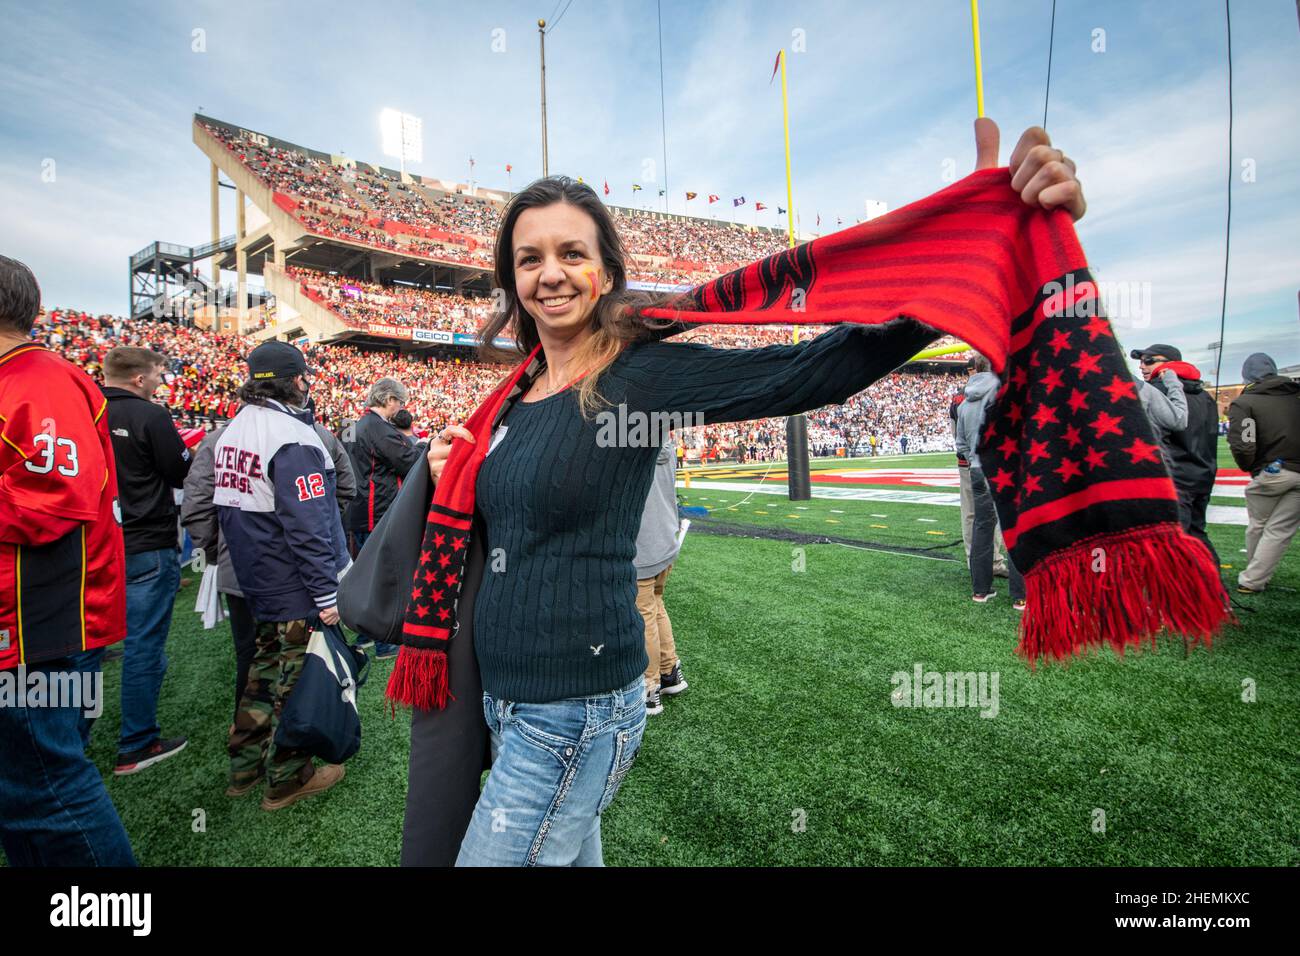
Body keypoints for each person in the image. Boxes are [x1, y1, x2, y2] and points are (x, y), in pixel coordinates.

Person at [406, 119, 1085, 866]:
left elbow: (805, 372)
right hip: (501, 698)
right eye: (529, 258)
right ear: (511, 278)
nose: (551, 273)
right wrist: (450, 473)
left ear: (607, 272)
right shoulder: (509, 394)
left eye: (573, 253)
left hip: (574, 708)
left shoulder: (637, 378)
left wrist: (972, 256)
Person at [0, 255, 135, 865]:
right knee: (26, 795)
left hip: (38, 627)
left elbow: (59, 491)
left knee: (46, 792)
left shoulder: (36, 377)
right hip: (37, 620)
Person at [214, 341, 350, 809]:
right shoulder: (290, 437)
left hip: (255, 579)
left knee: (261, 673)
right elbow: (308, 526)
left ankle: (245, 766)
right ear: (296, 380)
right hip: (292, 584)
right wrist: (326, 593)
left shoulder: (233, 430)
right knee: (297, 682)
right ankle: (287, 777)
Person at [182, 407, 356, 723]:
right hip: (299, 574)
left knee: (255, 660)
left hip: (247, 570)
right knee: (302, 662)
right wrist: (320, 530)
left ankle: (252, 750)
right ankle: (290, 756)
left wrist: (223, 551)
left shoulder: (223, 436)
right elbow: (345, 488)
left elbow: (197, 508)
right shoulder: (309, 434)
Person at [101, 345, 192, 774]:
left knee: (85, 645)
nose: (161, 380)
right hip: (146, 538)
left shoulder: (86, 408)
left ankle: (69, 741)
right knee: (144, 645)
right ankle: (136, 741)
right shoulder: (150, 415)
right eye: (158, 373)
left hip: (97, 542)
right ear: (139, 378)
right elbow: (179, 471)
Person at [345, 377, 425, 659]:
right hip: (375, 509)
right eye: (400, 402)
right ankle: (384, 641)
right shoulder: (377, 428)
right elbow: (408, 461)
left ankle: (366, 633)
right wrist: (426, 446)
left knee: (365, 574)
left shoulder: (356, 425)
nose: (400, 407)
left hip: (359, 507)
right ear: (389, 400)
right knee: (383, 577)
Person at [1130, 344, 1220, 566]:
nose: (1142, 366)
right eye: (1141, 361)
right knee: (1197, 535)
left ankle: (1177, 596)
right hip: (1203, 475)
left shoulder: (1157, 390)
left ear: (1168, 363)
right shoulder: (1204, 395)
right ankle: (1214, 592)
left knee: (1168, 545)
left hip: (1174, 478)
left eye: (1149, 361)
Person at [955, 355, 1025, 609]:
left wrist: (974, 457)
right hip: (1006, 468)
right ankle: (1020, 595)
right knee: (1015, 528)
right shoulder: (1005, 393)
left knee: (982, 527)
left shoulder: (964, 403)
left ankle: (980, 590)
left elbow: (960, 444)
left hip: (977, 468)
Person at [1227, 353, 1300, 594]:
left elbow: (1244, 443)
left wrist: (1250, 466)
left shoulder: (1247, 402)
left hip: (1272, 471)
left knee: (1259, 524)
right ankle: (1255, 578)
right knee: (1280, 529)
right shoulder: (1295, 396)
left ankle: (1252, 579)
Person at [634, 434, 687, 716]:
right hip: (666, 538)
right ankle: (669, 672)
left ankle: (649, 687)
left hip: (644, 544)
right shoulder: (663, 441)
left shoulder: (631, 444)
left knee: (644, 614)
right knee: (656, 606)